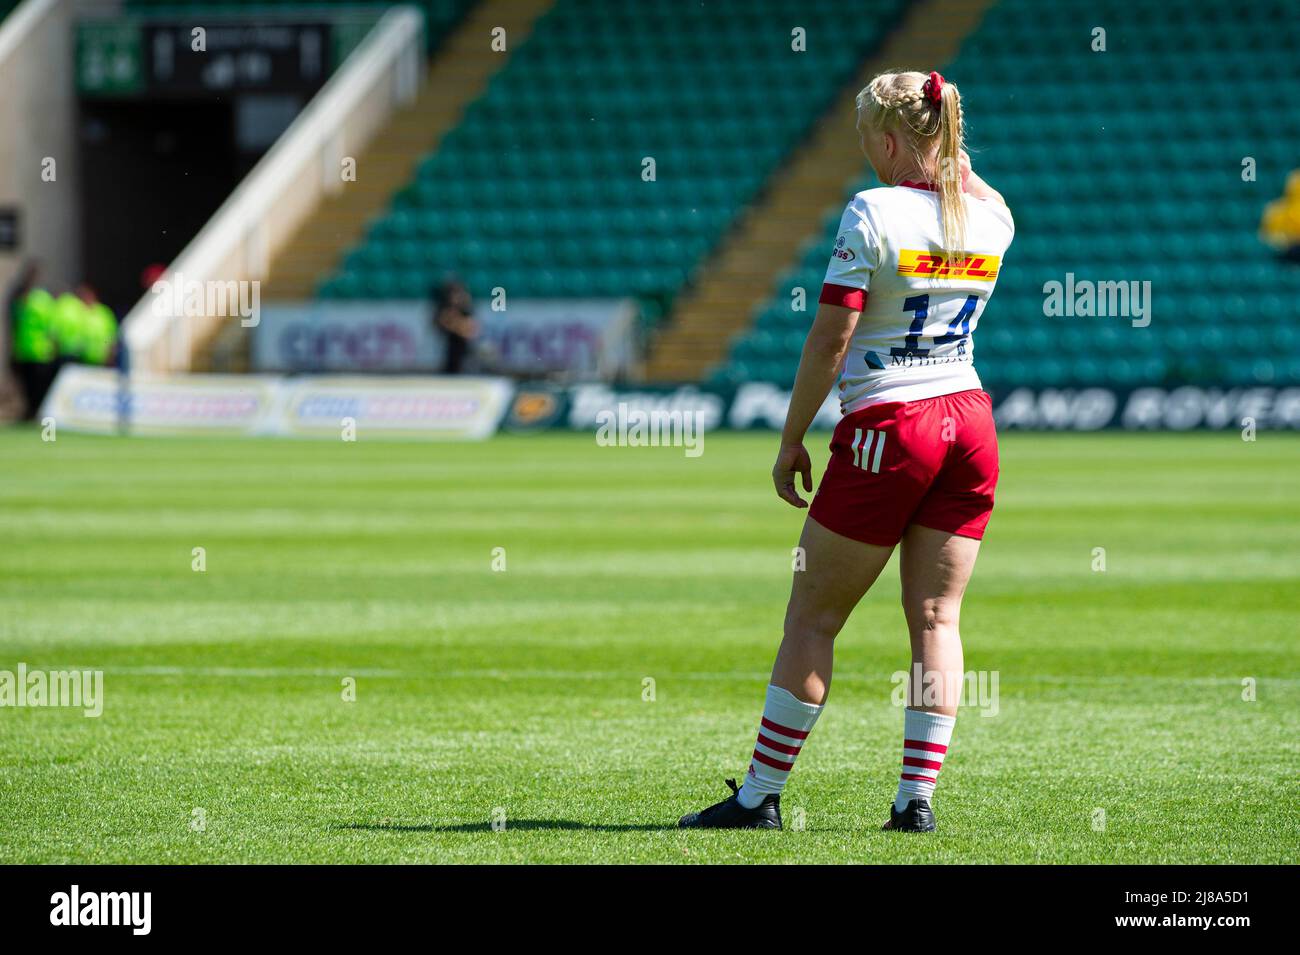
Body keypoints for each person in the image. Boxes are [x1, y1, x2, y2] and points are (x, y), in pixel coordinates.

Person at [679, 70, 1014, 833]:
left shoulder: (873, 210)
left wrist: (793, 434)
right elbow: (975, 186)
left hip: (890, 426)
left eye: (868, 139)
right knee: (937, 617)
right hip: (970, 421)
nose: (865, 154)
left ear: (889, 140)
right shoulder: (992, 219)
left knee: (813, 617)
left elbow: (831, 338)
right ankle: (914, 801)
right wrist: (949, 140)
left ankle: (760, 795)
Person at [7, 262, 58, 418]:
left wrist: (54, 345)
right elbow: (13, 324)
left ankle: (38, 414)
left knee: (39, 386)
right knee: (26, 386)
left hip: (40, 351)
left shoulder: (43, 299)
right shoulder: (19, 298)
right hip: (23, 350)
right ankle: (30, 413)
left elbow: (51, 326)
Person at [431, 278, 478, 374]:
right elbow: (440, 322)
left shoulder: (465, 309)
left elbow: (470, 330)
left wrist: (455, 325)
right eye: (453, 295)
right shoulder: (444, 308)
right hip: (449, 347)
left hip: (464, 349)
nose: (455, 298)